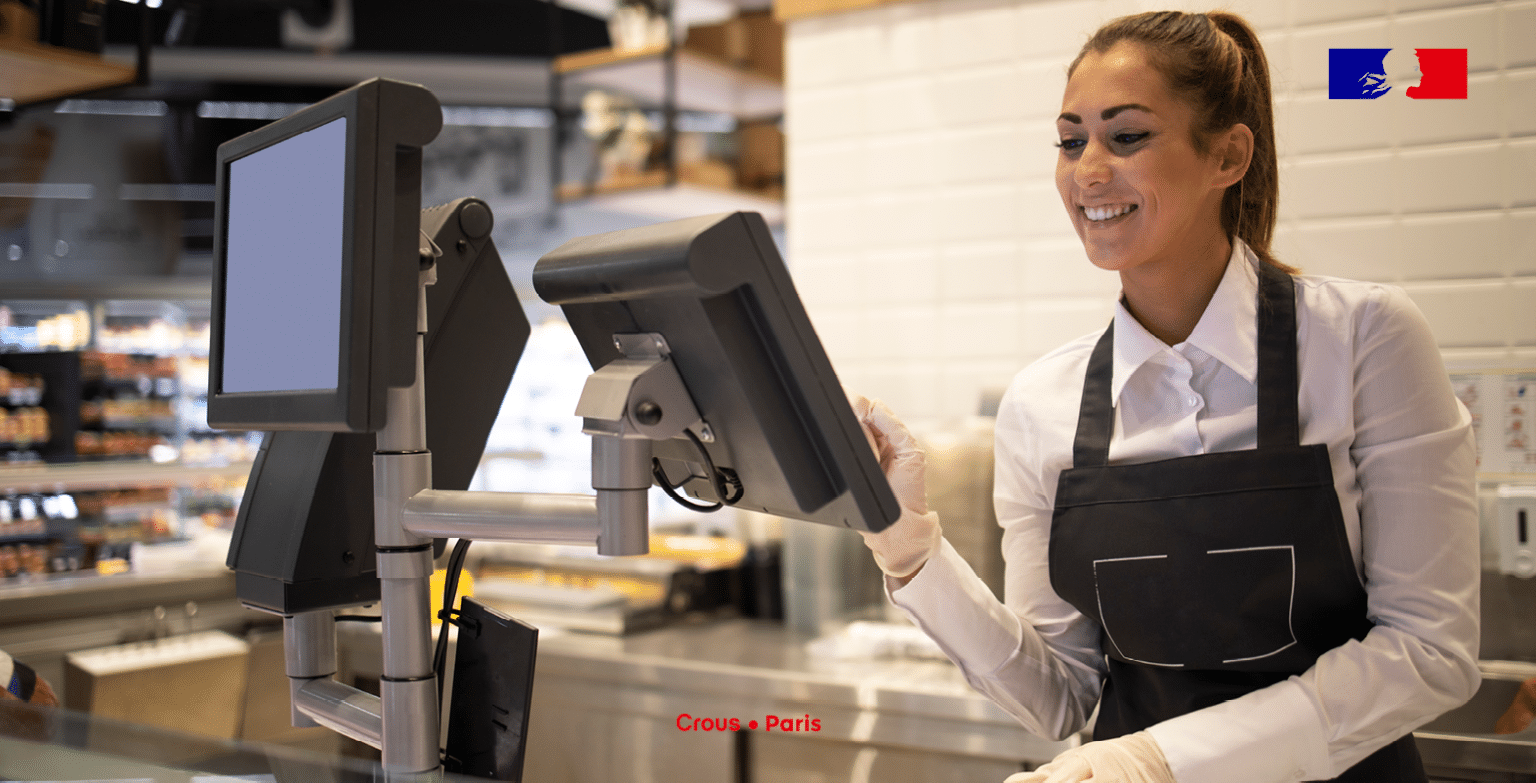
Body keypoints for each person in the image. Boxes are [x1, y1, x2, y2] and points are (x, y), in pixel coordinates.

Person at [851, 10, 1480, 783]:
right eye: (1070, 138)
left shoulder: (1363, 339)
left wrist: (1158, 761)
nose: (1087, 170)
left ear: (1227, 153)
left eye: (1126, 137)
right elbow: (1060, 694)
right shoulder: (1040, 404)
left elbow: (1431, 651)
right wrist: (912, 549)